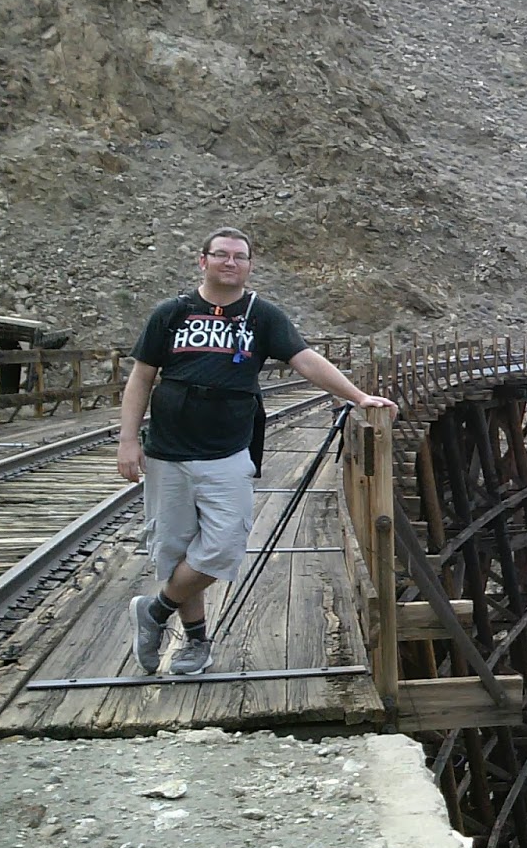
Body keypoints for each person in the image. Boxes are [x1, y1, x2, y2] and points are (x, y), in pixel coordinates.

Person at [116, 227, 397, 676]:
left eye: (240, 257)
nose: (230, 263)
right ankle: (195, 644)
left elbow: (304, 359)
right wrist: (128, 440)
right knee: (176, 549)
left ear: (249, 265)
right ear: (202, 260)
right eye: (221, 255)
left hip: (227, 451)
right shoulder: (171, 313)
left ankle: (153, 611)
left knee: (223, 547)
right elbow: (142, 376)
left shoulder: (261, 316)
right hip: (168, 451)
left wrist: (357, 396)